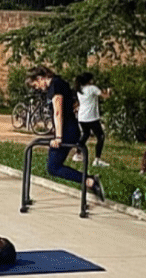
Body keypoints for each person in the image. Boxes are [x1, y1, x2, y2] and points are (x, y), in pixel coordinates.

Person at [26, 66, 105, 202]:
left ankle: (90, 181)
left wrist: (58, 137)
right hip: (67, 128)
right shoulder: (59, 83)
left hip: (67, 130)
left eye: (36, 85)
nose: (37, 88)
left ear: (40, 79)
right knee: (53, 166)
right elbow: (74, 103)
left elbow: (58, 111)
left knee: (53, 167)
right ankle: (90, 181)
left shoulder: (55, 85)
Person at [73, 72, 109, 167]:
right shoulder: (92, 88)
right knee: (100, 136)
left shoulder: (79, 90)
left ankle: (77, 153)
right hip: (92, 117)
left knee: (85, 134)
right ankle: (97, 159)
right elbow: (105, 96)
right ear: (89, 80)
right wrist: (109, 92)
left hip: (82, 117)